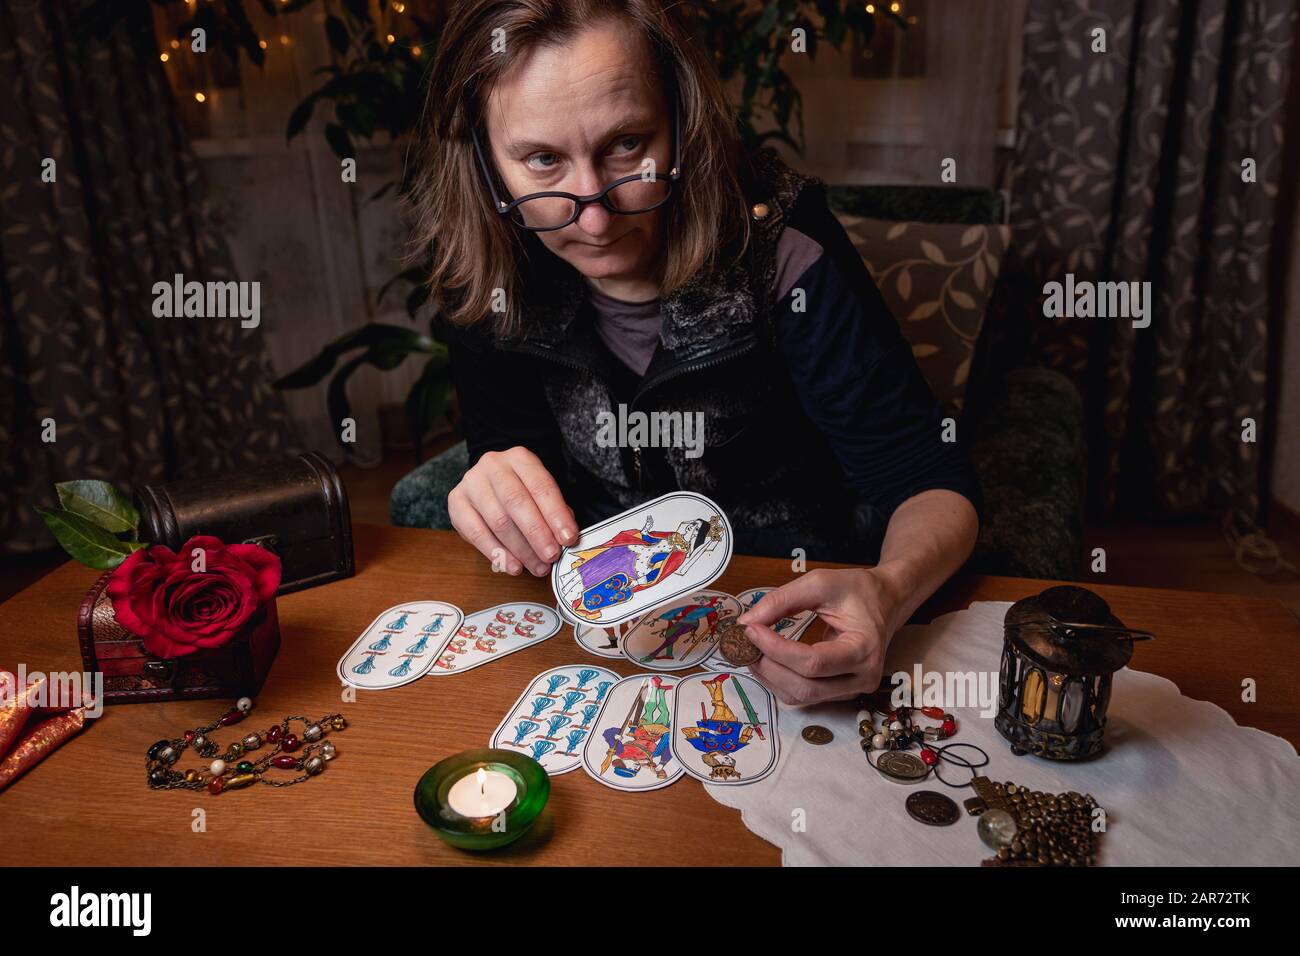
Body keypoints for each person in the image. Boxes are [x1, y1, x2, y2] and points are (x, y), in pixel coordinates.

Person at [413, 0, 981, 706]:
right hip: (602, 639)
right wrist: (496, 484)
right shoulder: (486, 270)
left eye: (626, 144)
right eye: (542, 160)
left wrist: (888, 592)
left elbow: (927, 478)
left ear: (683, 121)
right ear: (487, 164)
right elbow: (510, 453)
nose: (593, 215)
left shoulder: (784, 245)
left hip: (795, 607)